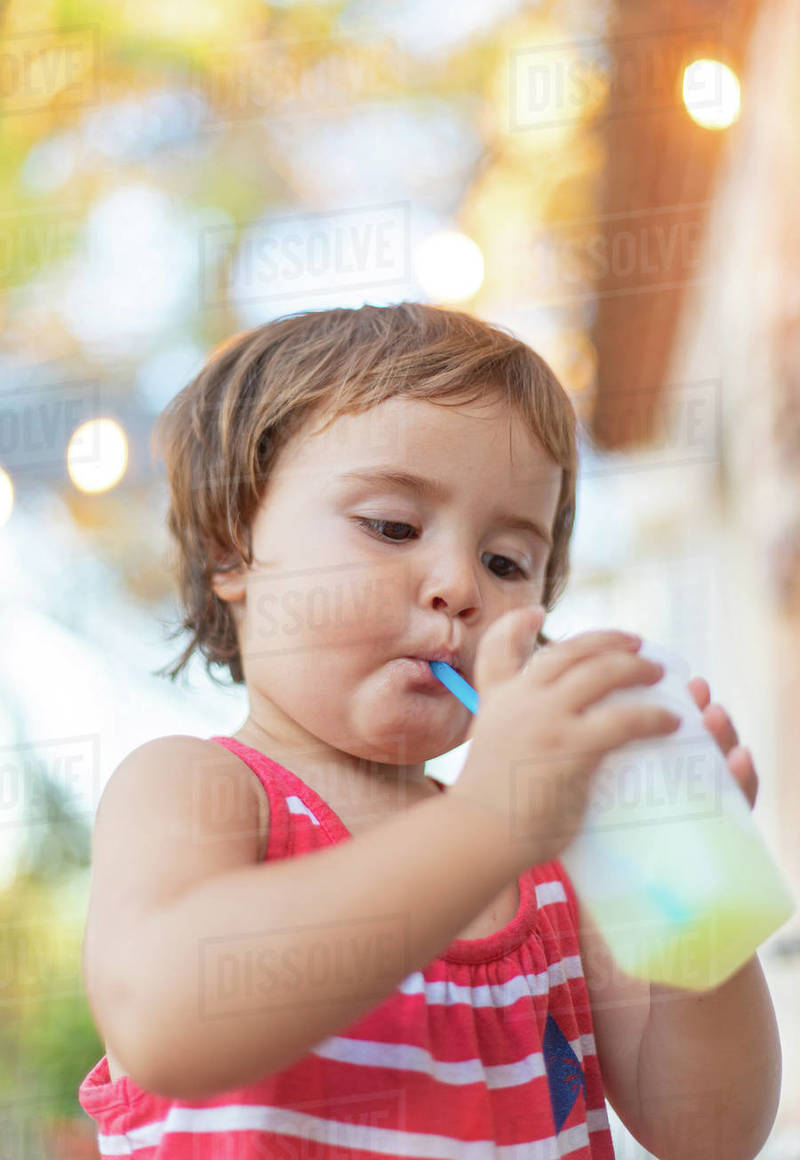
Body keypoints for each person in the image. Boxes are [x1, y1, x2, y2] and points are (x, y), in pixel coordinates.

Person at [78, 302, 779, 1158]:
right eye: (393, 527)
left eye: (506, 561)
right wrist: (488, 823)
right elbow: (163, 1019)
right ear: (234, 550)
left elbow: (709, 1131)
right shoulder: (196, 789)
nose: (458, 585)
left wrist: (698, 883)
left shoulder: (557, 864)